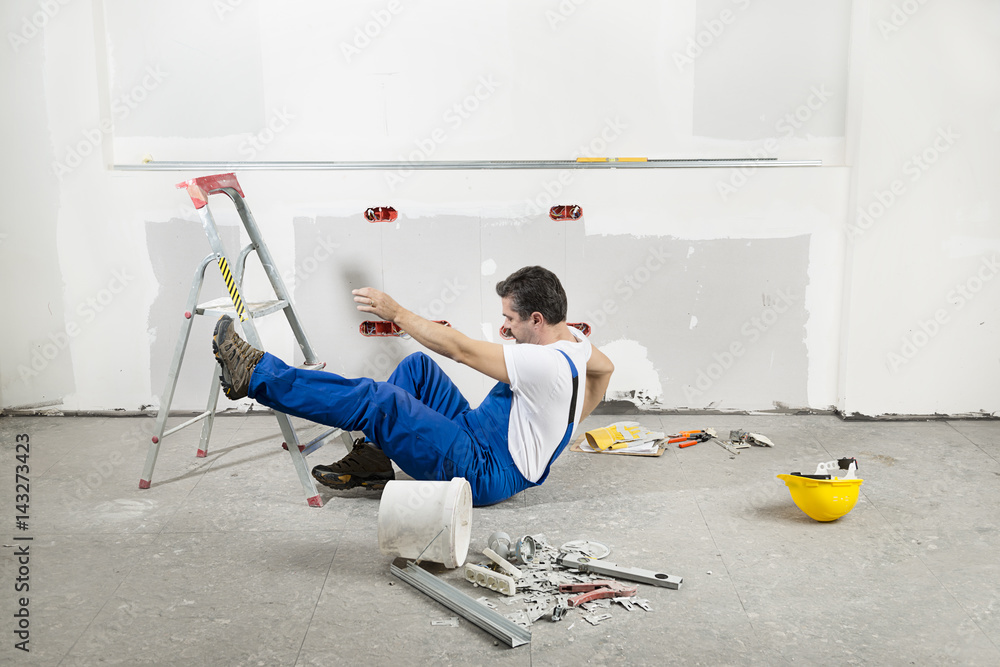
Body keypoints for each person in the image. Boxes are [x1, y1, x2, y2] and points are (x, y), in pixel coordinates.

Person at [211, 265, 614, 506]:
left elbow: (460, 349)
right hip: (480, 431)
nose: (505, 325)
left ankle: (257, 375)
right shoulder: (574, 342)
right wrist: (563, 422)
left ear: (538, 319)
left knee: (380, 401)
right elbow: (605, 370)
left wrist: (396, 313)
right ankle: (374, 461)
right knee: (417, 368)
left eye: (510, 318)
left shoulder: (541, 362)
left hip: (486, 471)